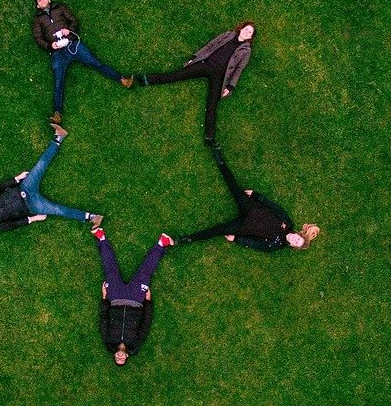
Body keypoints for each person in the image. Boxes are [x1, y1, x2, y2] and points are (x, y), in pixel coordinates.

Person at [172, 143, 319, 251]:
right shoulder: (287, 222)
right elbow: (273, 206)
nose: (294, 239)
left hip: (244, 227)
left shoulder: (275, 245)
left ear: (292, 246)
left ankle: (185, 239)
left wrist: (236, 239)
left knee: (218, 230)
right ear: (298, 234)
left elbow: (254, 243)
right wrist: (256, 195)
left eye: (295, 242)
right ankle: (218, 157)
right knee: (233, 186)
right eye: (297, 238)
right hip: (252, 208)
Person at [132, 21, 255, 144]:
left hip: (220, 77)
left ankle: (210, 136)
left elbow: (239, 69)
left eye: (249, 32)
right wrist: (194, 57)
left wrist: (230, 86)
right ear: (241, 28)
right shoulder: (227, 35)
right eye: (246, 29)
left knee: (212, 105)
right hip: (206, 64)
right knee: (177, 75)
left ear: (250, 37)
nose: (246, 32)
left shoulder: (246, 51)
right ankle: (147, 80)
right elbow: (210, 45)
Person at [0, 123, 103, 231]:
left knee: (40, 165)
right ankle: (92, 217)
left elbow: (0, 187)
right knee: (58, 210)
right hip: (31, 205)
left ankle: (59, 136)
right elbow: (15, 224)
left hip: (24, 187)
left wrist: (17, 178)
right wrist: (35, 218)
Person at [31, 0, 132, 124]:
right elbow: (38, 38)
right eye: (39, 0)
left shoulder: (59, 7)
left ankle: (122, 79)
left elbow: (73, 20)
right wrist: (50, 46)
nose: (41, 0)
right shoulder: (37, 19)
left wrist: (69, 30)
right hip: (58, 53)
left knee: (95, 62)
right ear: (38, 6)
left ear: (49, 0)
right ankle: (57, 114)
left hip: (72, 44)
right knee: (58, 81)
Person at [94, 228, 174, 365]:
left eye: (117, 359)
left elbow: (104, 317)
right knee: (145, 273)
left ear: (114, 355)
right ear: (127, 357)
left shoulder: (108, 339)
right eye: (122, 359)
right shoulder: (136, 342)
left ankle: (101, 238)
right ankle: (162, 243)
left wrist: (104, 297)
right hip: (136, 300)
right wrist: (148, 301)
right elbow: (146, 322)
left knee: (110, 271)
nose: (120, 357)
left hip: (115, 298)